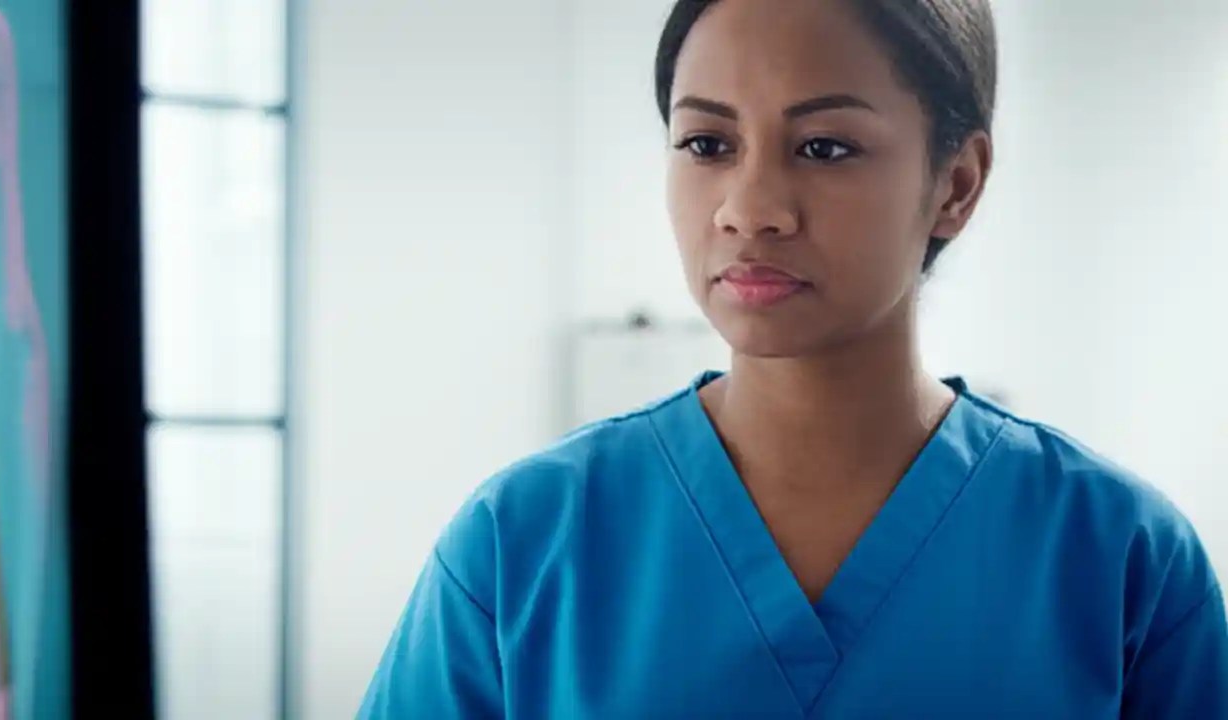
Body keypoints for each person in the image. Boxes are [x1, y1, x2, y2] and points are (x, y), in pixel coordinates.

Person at [360, 0, 1228, 716]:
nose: (750, 209)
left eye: (825, 148)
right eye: (707, 144)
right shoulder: (525, 543)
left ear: (955, 184)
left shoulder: (1120, 560)